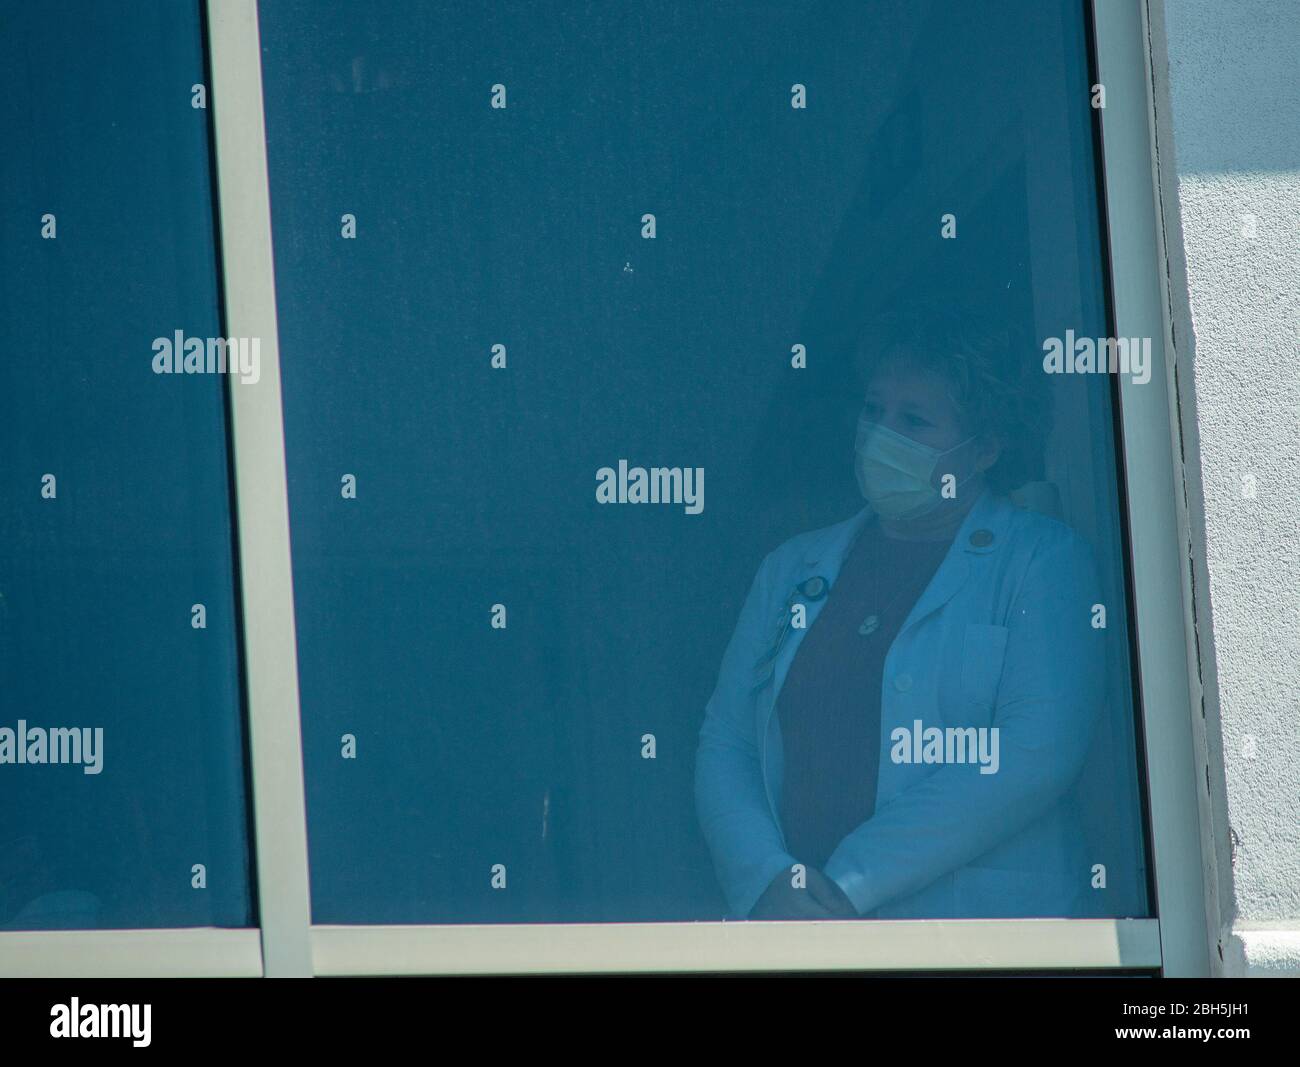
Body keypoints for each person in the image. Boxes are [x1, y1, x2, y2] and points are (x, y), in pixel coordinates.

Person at [695, 318, 1103, 920]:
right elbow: (728, 739)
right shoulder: (790, 569)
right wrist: (767, 882)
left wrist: (849, 882)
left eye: (913, 421)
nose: (879, 435)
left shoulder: (1041, 560)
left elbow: (1036, 751)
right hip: (797, 934)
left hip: (976, 936)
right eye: (873, 409)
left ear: (985, 449)